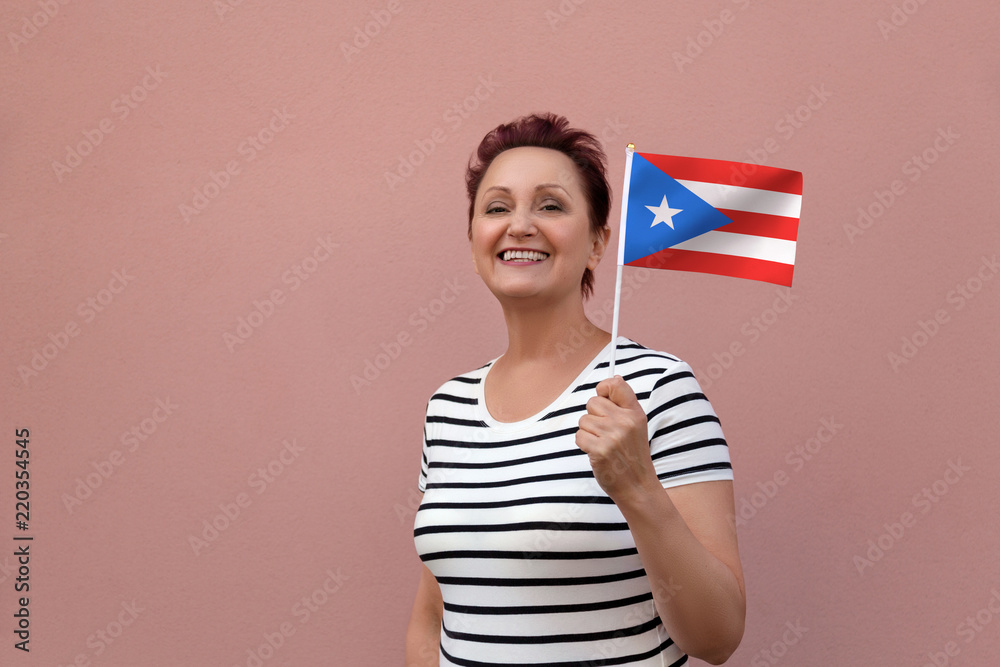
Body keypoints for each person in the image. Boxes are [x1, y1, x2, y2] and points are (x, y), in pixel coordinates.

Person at [405, 113, 746, 666]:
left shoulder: (657, 388)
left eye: (551, 205)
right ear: (473, 241)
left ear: (596, 243)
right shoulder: (447, 407)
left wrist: (637, 489)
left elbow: (718, 637)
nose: (519, 225)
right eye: (496, 207)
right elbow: (432, 617)